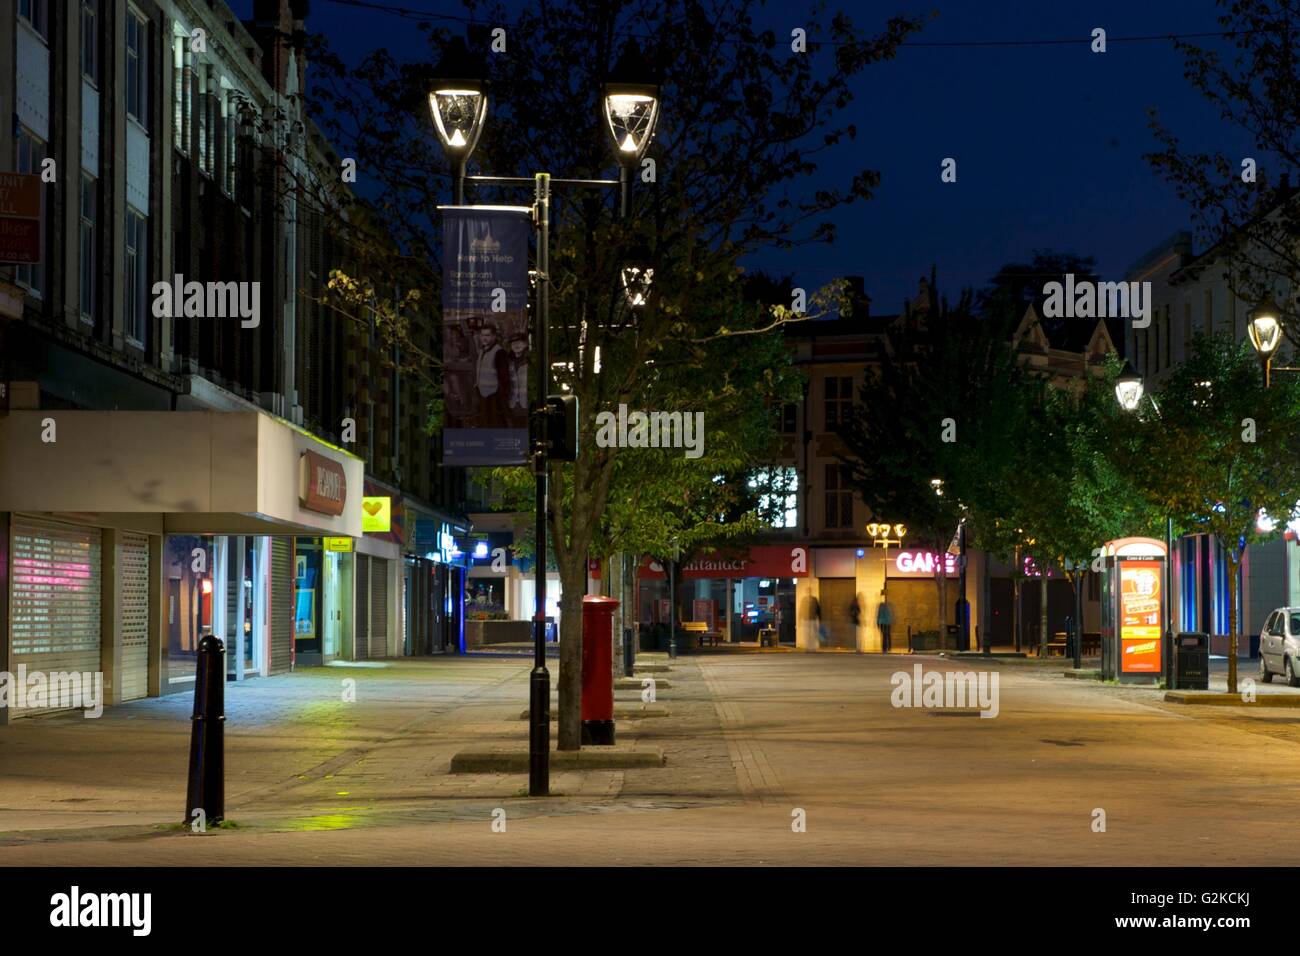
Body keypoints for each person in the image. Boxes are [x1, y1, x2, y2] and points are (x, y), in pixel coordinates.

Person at [474, 322, 511, 427]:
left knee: (495, 424)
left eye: (487, 335)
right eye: (482, 335)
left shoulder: (499, 352)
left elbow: (504, 377)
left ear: (494, 336)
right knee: (486, 424)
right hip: (483, 394)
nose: (484, 338)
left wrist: (501, 396)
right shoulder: (483, 350)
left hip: (494, 397)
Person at [506, 333, 529, 429]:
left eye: (519, 342)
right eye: (513, 343)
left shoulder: (531, 360)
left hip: (528, 405)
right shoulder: (507, 361)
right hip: (513, 405)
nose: (516, 345)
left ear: (526, 344)